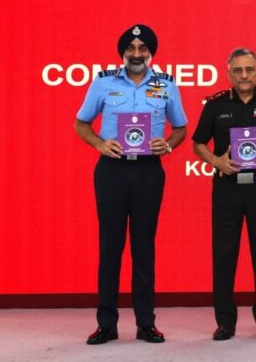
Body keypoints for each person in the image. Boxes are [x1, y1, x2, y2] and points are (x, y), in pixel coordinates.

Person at [74, 24, 188, 345]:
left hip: (149, 173)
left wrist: (167, 144)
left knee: (143, 248)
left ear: (152, 53)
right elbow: (81, 123)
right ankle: (106, 324)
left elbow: (180, 128)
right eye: (131, 49)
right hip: (111, 172)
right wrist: (98, 143)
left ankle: (146, 323)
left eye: (143, 49)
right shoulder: (103, 83)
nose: (136, 54)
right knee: (110, 247)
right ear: (122, 52)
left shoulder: (166, 85)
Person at [192, 48, 256, 341]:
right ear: (229, 74)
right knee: (224, 254)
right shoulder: (214, 106)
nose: (244, 76)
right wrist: (216, 161)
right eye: (237, 70)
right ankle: (225, 321)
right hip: (227, 189)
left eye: (249, 70)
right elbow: (198, 143)